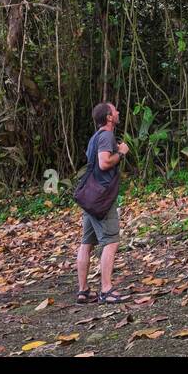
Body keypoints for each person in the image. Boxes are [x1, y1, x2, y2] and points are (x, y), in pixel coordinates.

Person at [76, 101, 129, 303]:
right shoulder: (106, 135)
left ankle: (83, 290)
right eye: (115, 110)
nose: (117, 112)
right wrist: (121, 152)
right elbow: (104, 162)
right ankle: (106, 289)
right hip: (101, 198)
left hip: (90, 196)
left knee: (87, 243)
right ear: (108, 117)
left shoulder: (95, 137)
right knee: (111, 241)